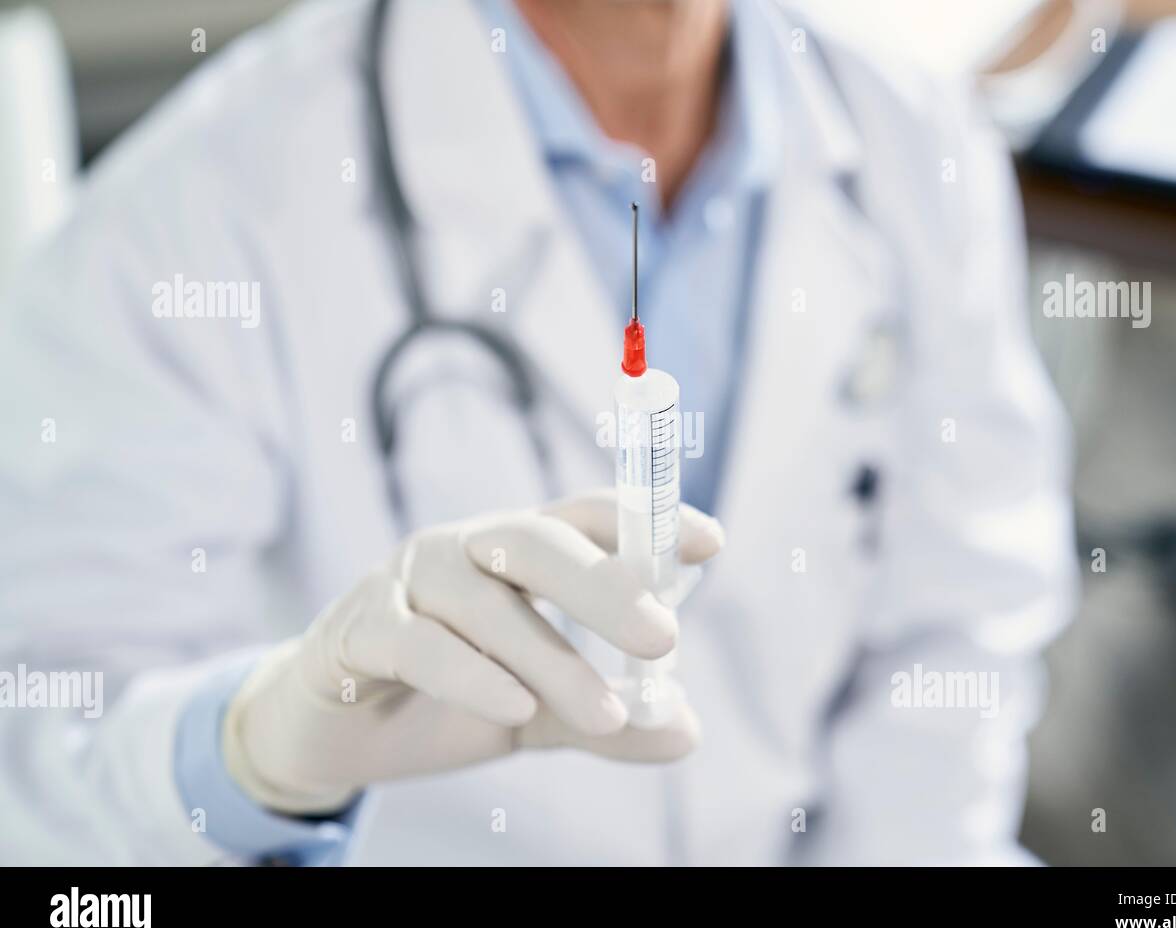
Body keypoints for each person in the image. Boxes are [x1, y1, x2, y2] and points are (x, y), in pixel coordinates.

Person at [0, 0, 1077, 865]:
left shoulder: (906, 131)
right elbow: (44, 766)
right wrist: (252, 754)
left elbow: (961, 613)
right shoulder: (198, 207)